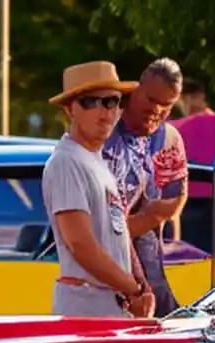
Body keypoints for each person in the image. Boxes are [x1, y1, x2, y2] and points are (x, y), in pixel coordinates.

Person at [42, 61, 151, 317]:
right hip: (85, 309)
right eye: (91, 102)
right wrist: (133, 290)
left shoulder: (96, 161)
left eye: (113, 101)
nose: (105, 112)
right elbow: (80, 243)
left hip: (110, 308)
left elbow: (118, 229)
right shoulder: (66, 161)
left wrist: (141, 283)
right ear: (70, 109)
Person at [103, 58, 188, 317]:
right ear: (135, 90)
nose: (157, 110)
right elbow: (98, 224)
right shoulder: (104, 129)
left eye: (167, 105)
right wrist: (148, 217)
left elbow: (176, 198)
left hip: (148, 264)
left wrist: (141, 221)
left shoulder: (168, 138)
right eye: (151, 100)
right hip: (100, 267)